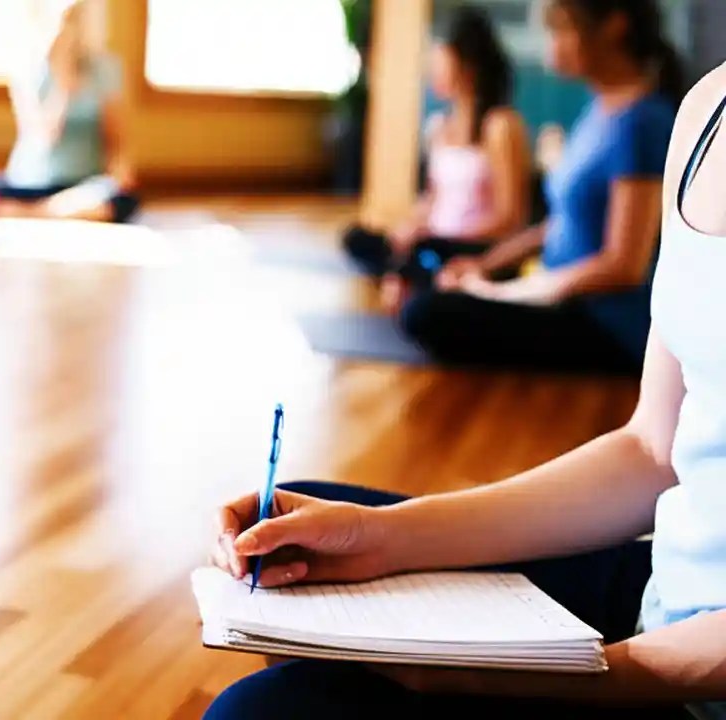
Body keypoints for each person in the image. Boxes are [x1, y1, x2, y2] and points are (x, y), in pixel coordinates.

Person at [205, 17, 726, 720]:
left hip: (697, 673)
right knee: (302, 542)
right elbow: (653, 449)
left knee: (260, 714)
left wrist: (539, 677)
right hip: (666, 588)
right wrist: (382, 537)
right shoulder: (705, 113)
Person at [397, 0, 680, 375]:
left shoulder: (644, 121)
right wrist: (485, 264)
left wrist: (514, 291)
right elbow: (560, 224)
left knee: (425, 312)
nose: (553, 44)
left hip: (602, 324)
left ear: (614, 26)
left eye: (563, 29)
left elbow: (624, 265)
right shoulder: (598, 109)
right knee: (438, 276)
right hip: (553, 292)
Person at [343, 6, 530, 309]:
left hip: (470, 245)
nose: (433, 68)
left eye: (440, 59)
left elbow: (511, 217)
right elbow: (433, 199)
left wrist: (439, 235)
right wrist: (410, 226)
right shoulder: (440, 128)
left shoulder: (500, 126)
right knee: (358, 239)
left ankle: (413, 274)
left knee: (421, 255)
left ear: (466, 64)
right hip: (434, 240)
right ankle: (414, 271)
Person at [0, 0, 140, 224]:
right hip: (31, 181)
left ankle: (31, 212)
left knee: (120, 200)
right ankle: (47, 210)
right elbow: (44, 136)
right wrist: (63, 86)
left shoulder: (104, 69)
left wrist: (120, 171)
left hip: (81, 185)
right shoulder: (29, 70)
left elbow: (116, 139)